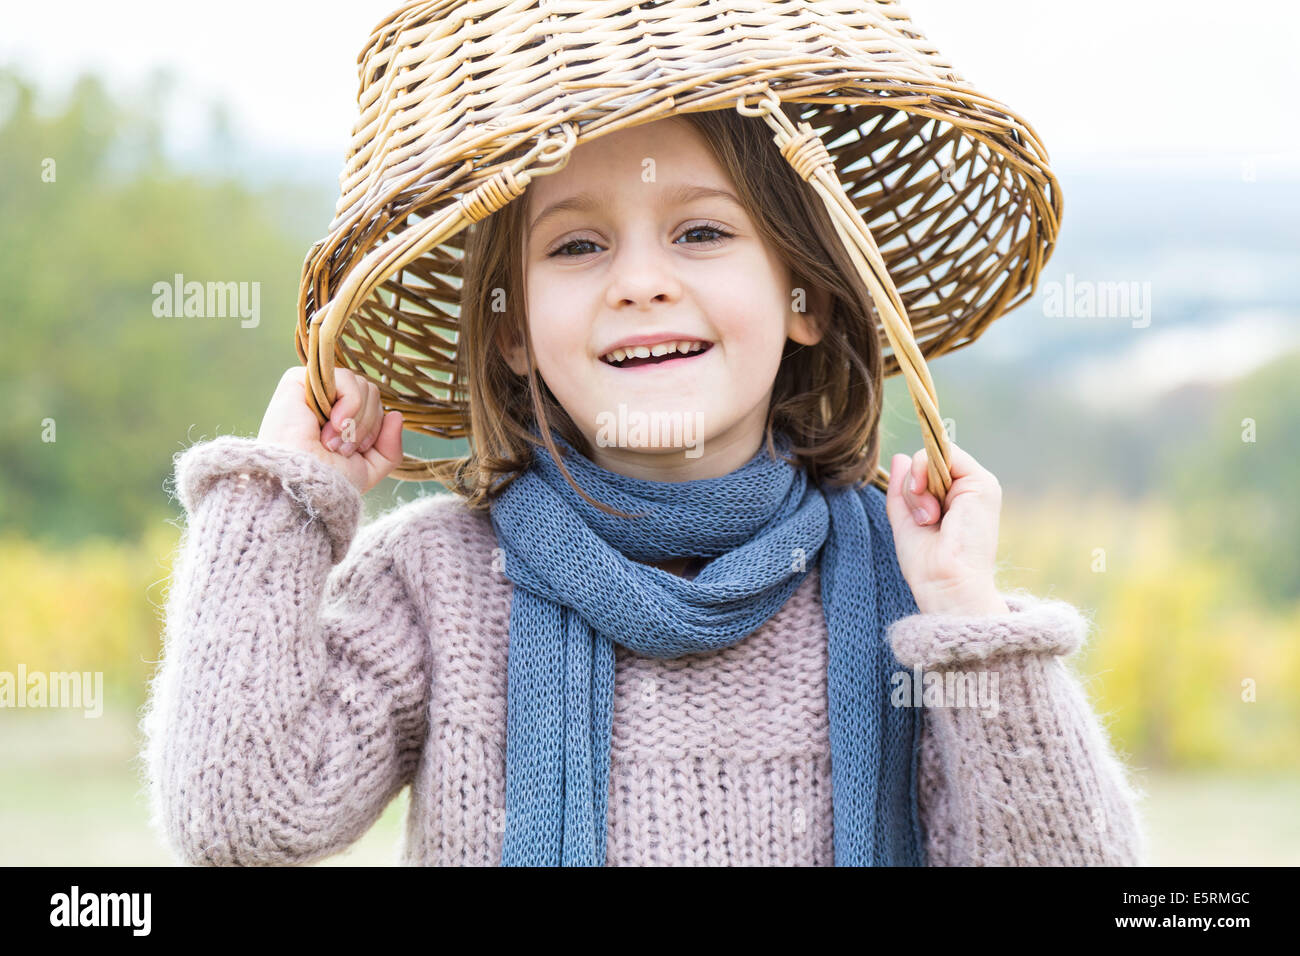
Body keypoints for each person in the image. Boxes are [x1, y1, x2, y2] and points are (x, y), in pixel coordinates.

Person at [140, 108, 1148, 866]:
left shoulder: (905, 592)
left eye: (701, 233)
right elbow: (241, 816)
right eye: (577, 245)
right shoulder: (440, 580)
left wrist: (974, 624)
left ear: (806, 298)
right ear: (511, 330)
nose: (639, 281)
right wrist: (277, 504)